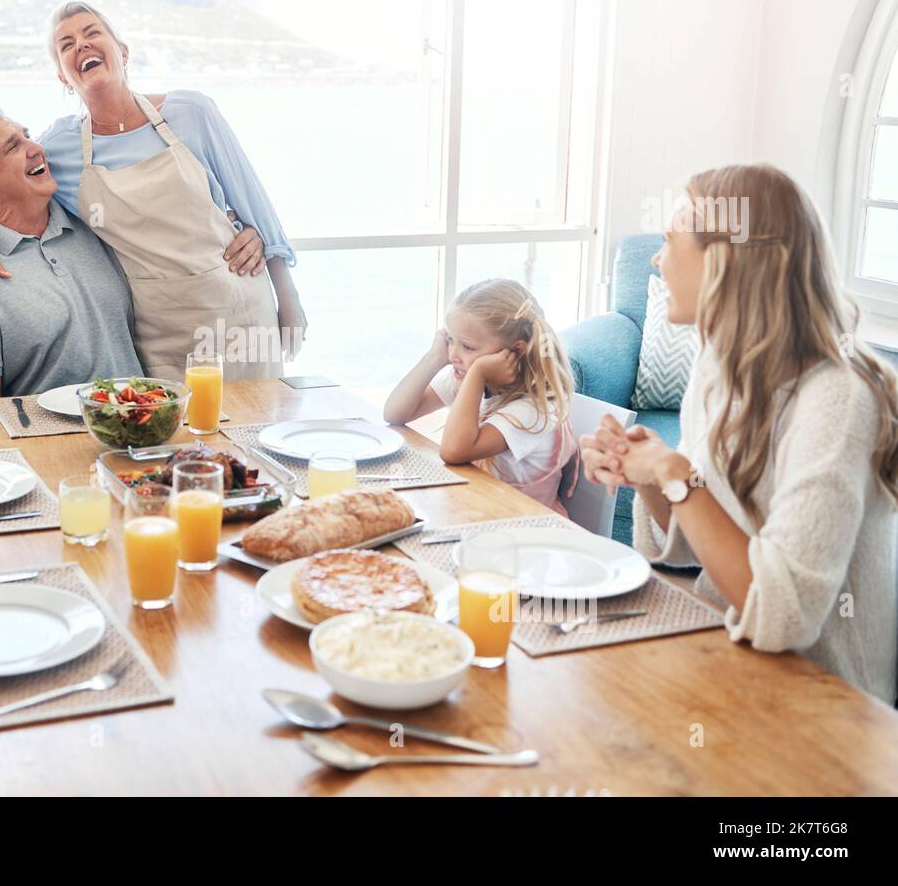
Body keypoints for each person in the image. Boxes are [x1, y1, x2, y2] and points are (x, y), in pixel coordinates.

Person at [581, 164, 898, 704]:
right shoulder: (719, 364)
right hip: (728, 659)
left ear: (723, 262)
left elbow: (783, 616)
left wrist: (676, 473)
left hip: (823, 708)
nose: (656, 262)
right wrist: (651, 476)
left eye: (669, 242)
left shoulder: (837, 398)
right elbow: (694, 553)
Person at [0, 1, 307, 380]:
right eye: (66, 45)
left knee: (255, 431)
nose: (81, 45)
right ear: (64, 78)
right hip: (161, 336)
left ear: (123, 52)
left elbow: (254, 204)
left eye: (92, 33)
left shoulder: (191, 112)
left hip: (242, 310)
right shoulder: (59, 149)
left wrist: (287, 295)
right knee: (174, 437)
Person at [0, 103, 143, 397]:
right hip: (47, 439)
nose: (36, 148)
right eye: (12, 146)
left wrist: (231, 217)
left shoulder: (88, 218)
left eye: (27, 135)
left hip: (140, 429)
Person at [384, 279, 577, 516]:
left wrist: (477, 372)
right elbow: (395, 414)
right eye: (450, 340)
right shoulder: (470, 380)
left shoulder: (534, 410)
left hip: (527, 531)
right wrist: (435, 357)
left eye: (467, 347)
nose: (453, 354)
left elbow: (454, 451)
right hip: (478, 512)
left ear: (516, 351)